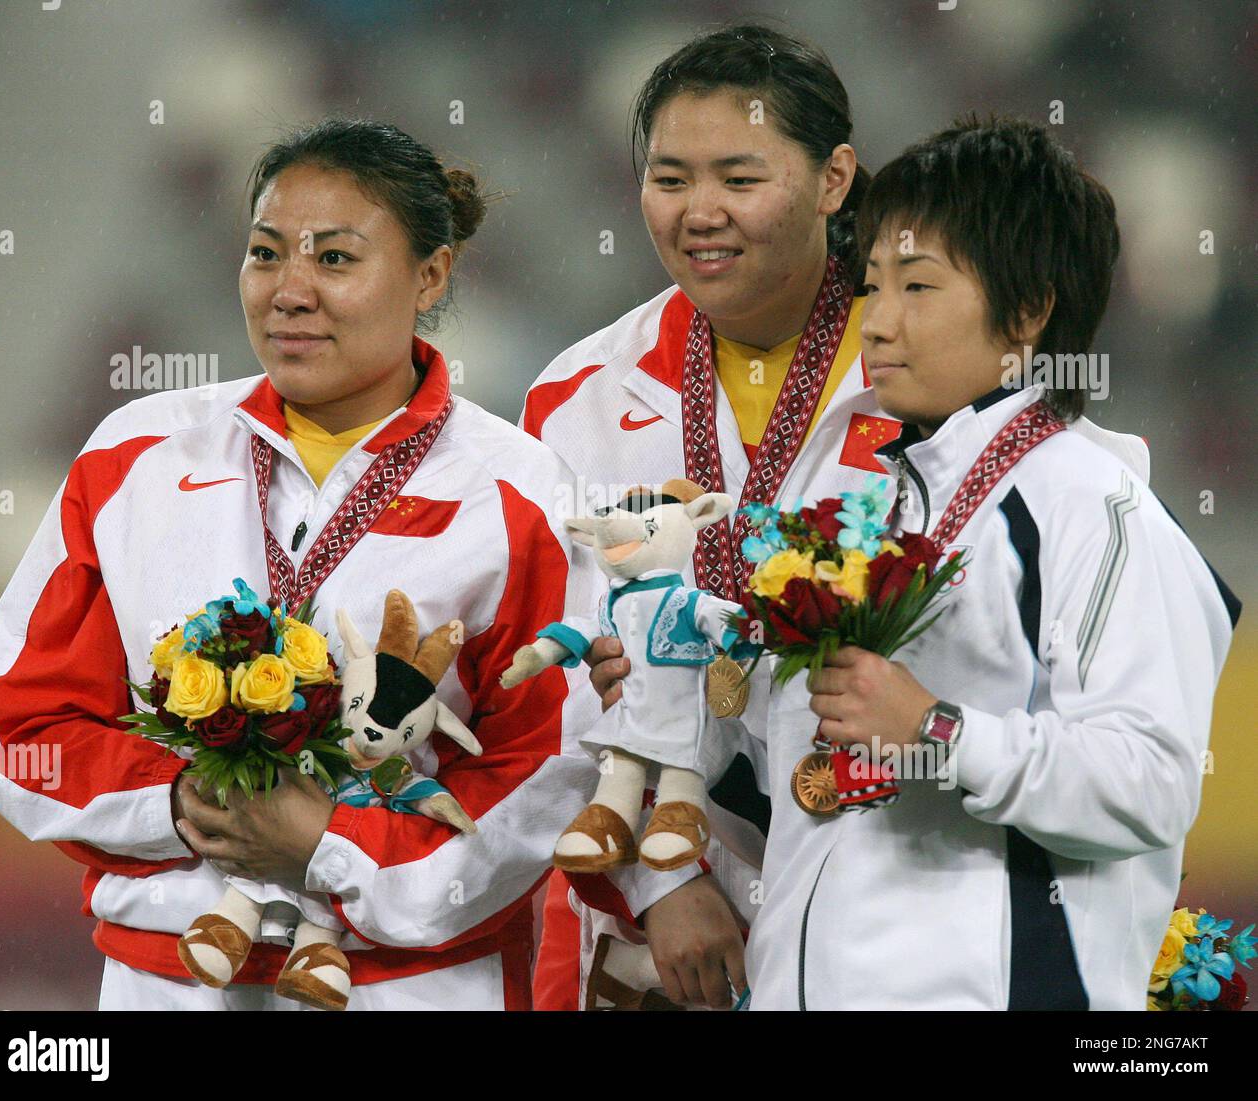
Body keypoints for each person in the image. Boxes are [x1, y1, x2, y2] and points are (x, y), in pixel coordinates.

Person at [0, 117, 598, 1010]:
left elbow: (548, 768)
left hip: (412, 984)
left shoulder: (517, 488)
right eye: (265, 254)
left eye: (335, 259)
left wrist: (330, 844)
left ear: (431, 275)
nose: (289, 291)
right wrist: (179, 801)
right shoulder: (138, 456)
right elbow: (13, 731)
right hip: (169, 979)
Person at [743, 114, 1239, 1009]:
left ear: (1028, 309)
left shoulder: (1094, 506)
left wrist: (939, 732)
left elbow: (1153, 783)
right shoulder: (868, 515)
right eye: (872, 285)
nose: (878, 323)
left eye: (919, 287)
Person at [525, 23, 891, 1010]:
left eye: (739, 177)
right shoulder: (580, 397)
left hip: (884, 900)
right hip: (651, 939)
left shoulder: (925, 375)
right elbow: (552, 686)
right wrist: (662, 885)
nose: (700, 214)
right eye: (669, 178)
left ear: (834, 177)